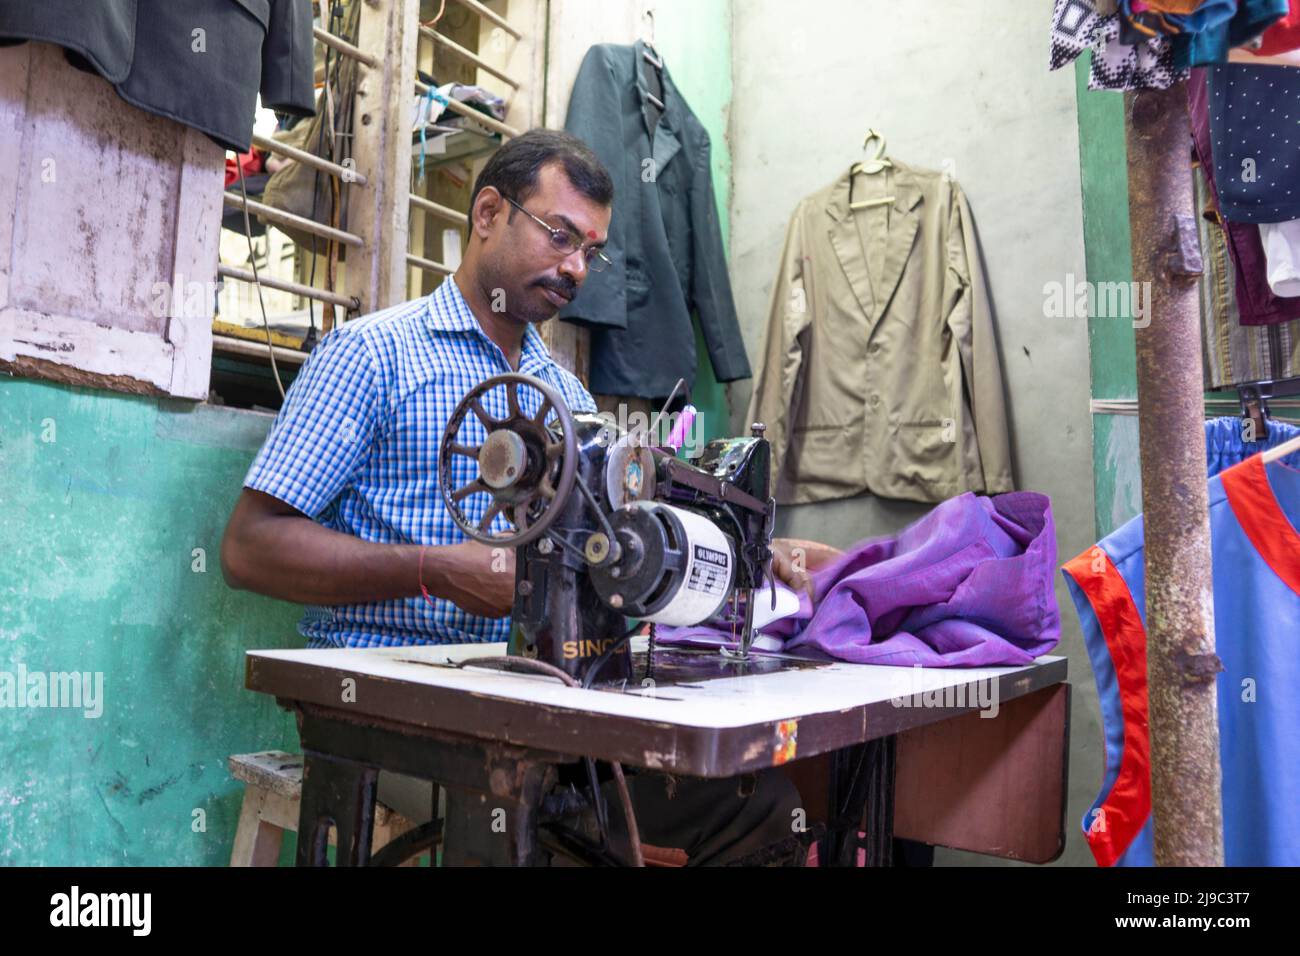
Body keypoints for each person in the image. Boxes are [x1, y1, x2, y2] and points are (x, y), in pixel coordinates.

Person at [221, 128, 833, 865]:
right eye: (560, 235)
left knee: (760, 809)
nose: (576, 266)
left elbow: (611, 553)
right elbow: (248, 547)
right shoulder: (371, 354)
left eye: (591, 251)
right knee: (542, 828)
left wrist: (746, 558)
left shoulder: (568, 397)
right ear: (487, 215)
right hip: (395, 713)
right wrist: (433, 569)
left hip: (543, 706)